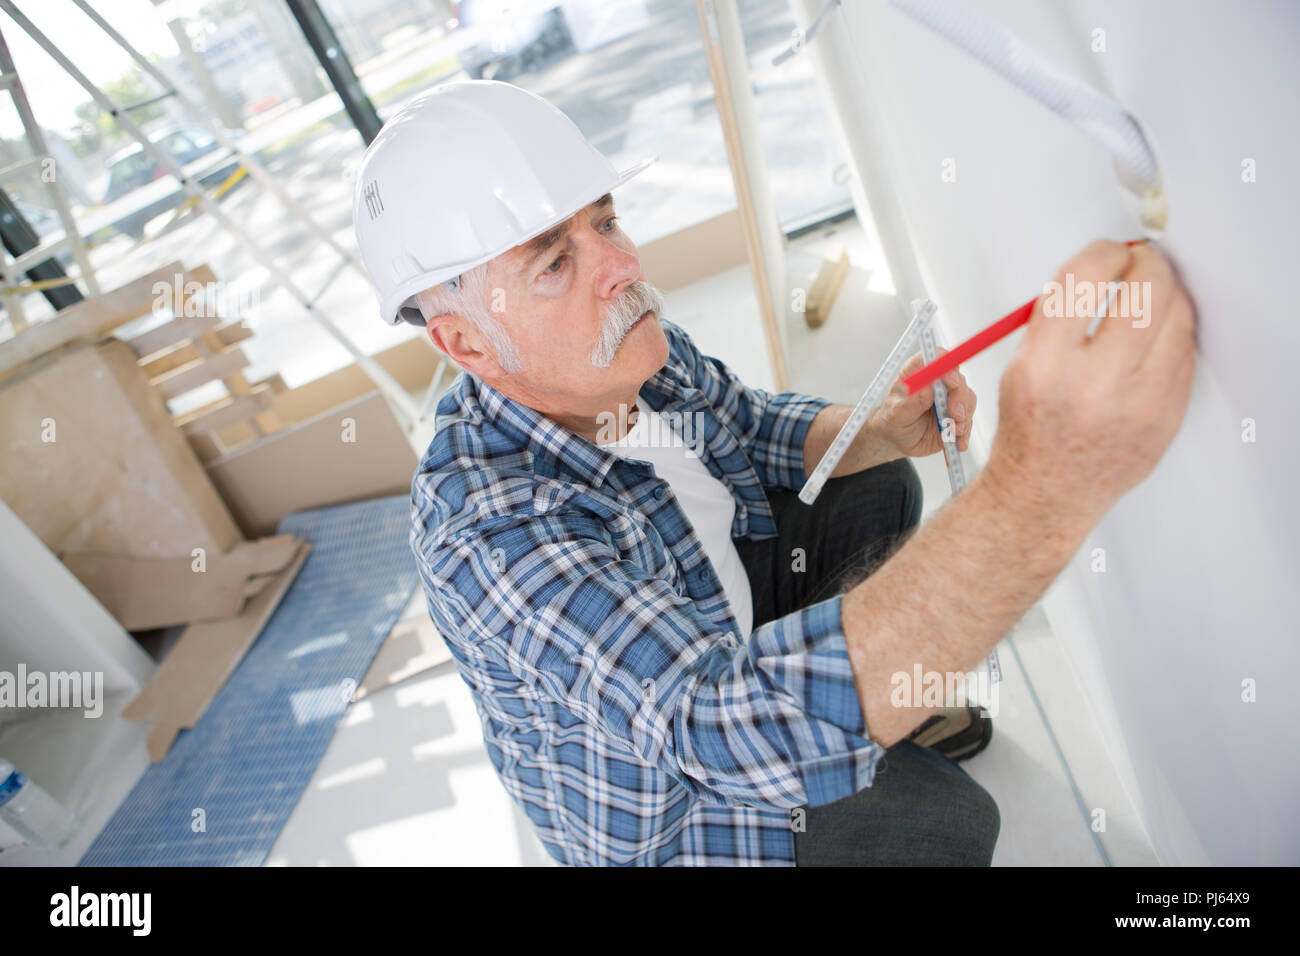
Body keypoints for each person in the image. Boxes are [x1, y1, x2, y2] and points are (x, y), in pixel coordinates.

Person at [352, 81, 1196, 866]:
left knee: (875, 483)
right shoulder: (493, 531)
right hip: (679, 810)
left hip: (713, 621)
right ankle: (845, 723)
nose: (622, 266)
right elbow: (711, 724)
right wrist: (1041, 487)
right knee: (950, 825)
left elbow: (750, 429)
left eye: (604, 222)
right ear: (465, 345)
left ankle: (857, 714)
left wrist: (876, 430)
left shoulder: (632, 350)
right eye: (554, 263)